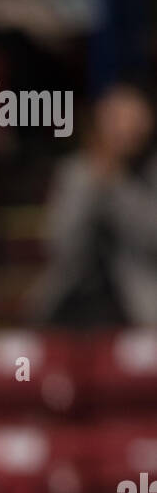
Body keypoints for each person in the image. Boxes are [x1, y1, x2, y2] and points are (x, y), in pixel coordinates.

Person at [32, 83, 157, 328]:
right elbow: (59, 244)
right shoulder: (75, 173)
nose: (122, 127)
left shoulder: (151, 173)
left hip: (138, 301)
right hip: (74, 295)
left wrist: (117, 184)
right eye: (114, 117)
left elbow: (152, 237)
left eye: (131, 117)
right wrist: (92, 185)